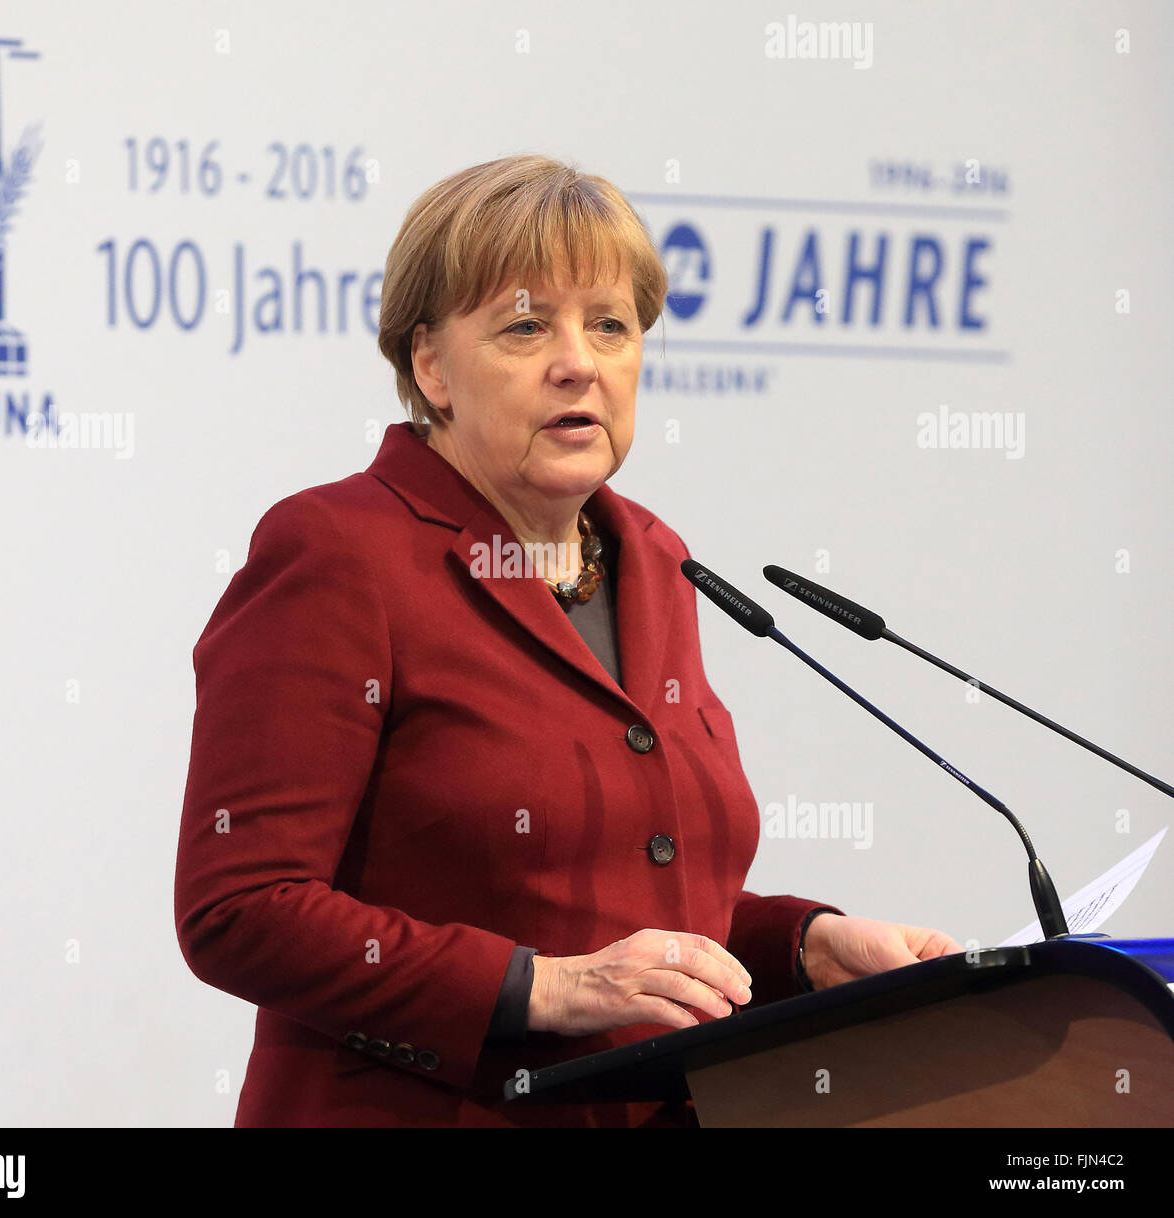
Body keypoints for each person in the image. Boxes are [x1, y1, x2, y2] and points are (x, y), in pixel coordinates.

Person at [173, 153, 962, 1128]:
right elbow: (240, 909)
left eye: (610, 325)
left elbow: (634, 902)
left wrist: (801, 945)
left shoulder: (653, 561)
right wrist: (537, 988)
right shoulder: (341, 552)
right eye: (523, 325)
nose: (577, 361)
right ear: (430, 366)